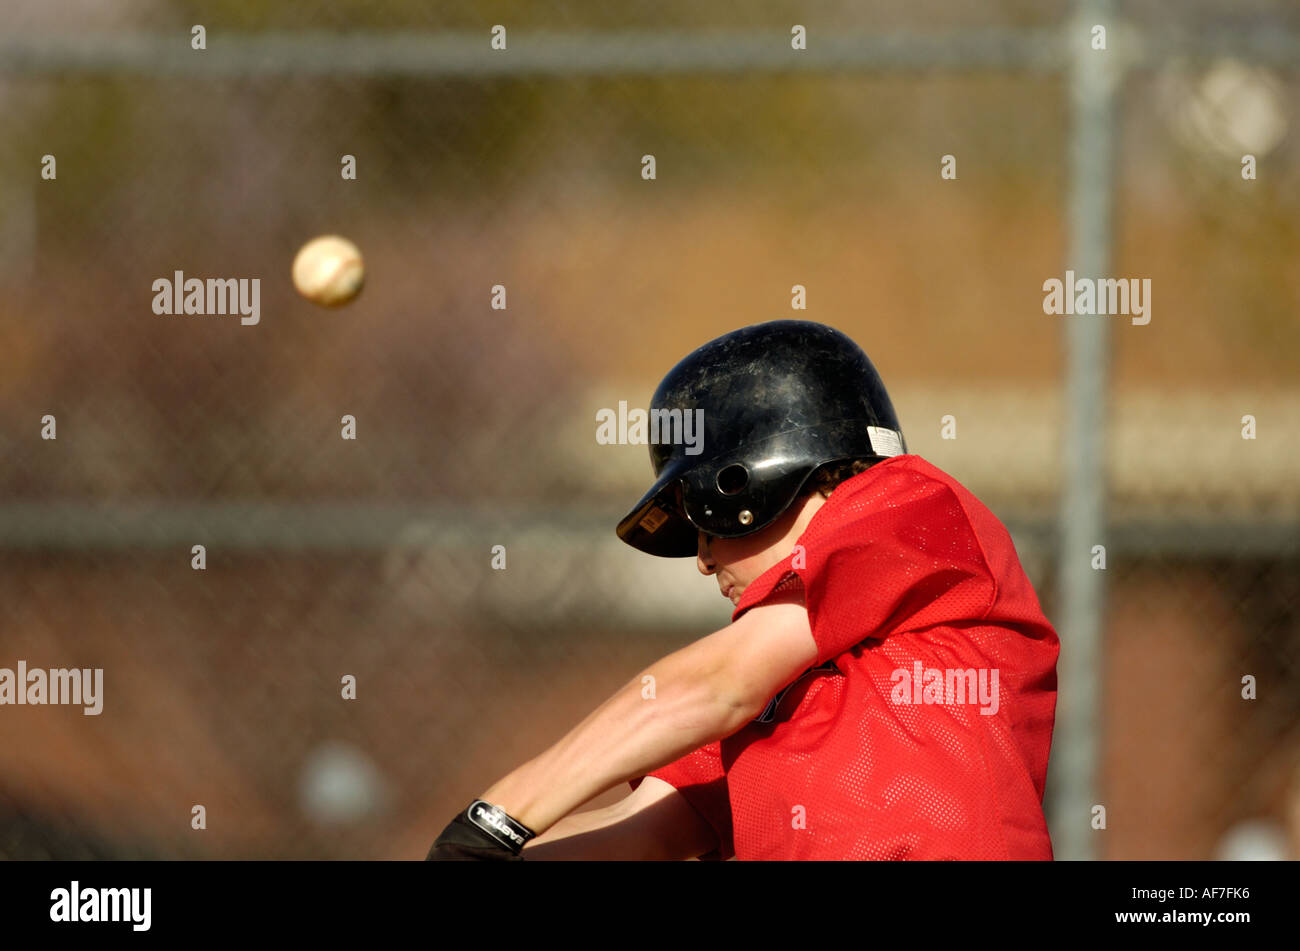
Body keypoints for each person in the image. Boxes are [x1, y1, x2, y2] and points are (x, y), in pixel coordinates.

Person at [427, 319, 1059, 861]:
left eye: (704, 522)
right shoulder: (781, 678)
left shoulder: (910, 507)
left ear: (752, 480)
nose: (703, 559)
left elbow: (717, 685)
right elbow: (645, 831)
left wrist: (497, 818)